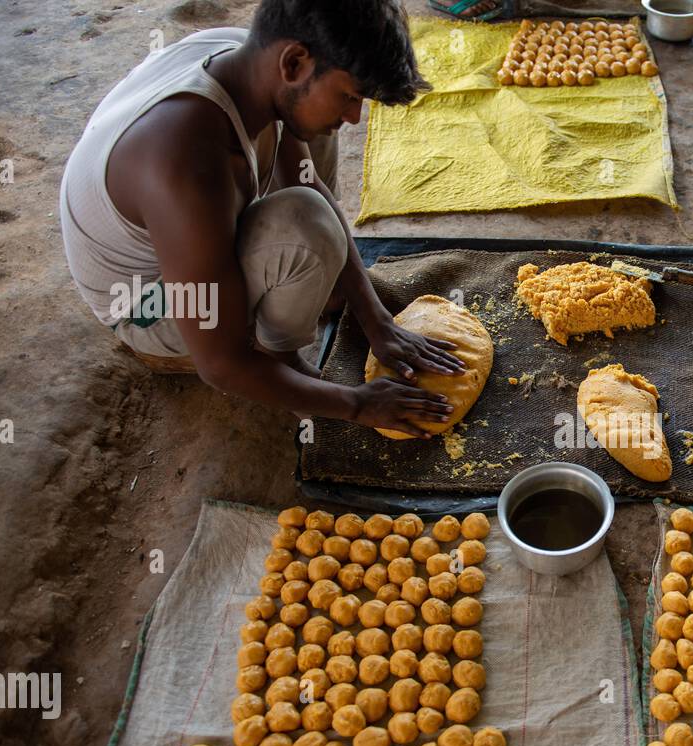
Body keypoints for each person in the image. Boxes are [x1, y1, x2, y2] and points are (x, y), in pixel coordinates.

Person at [60, 0, 465, 438]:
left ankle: (302, 294)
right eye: (350, 96)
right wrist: (357, 404)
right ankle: (279, 356)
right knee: (304, 228)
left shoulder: (248, 62)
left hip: (188, 241)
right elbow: (221, 363)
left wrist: (377, 321)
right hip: (146, 304)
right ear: (293, 62)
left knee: (313, 136)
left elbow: (308, 183)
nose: (355, 116)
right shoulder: (186, 163)